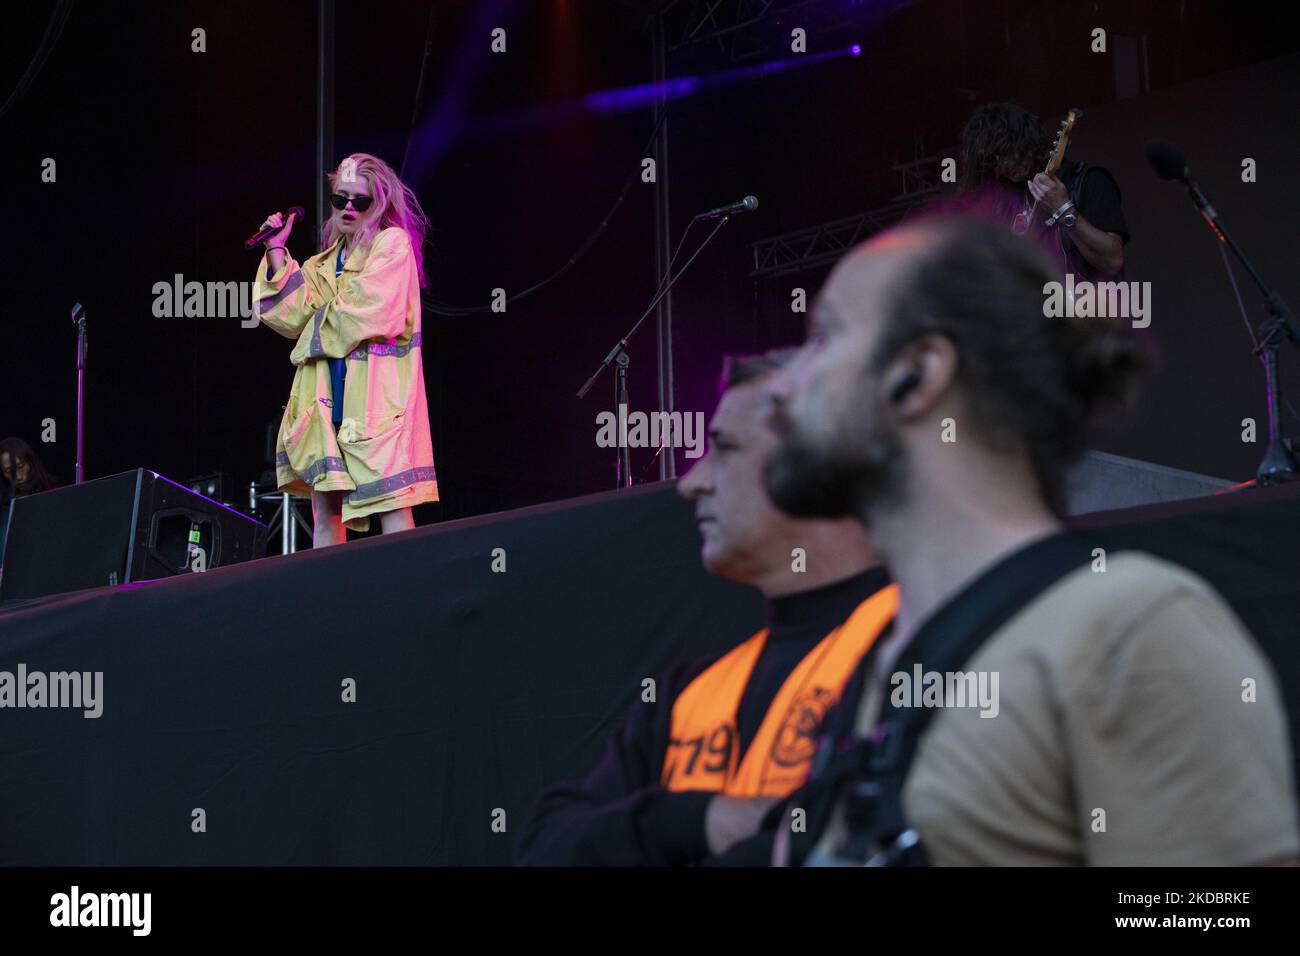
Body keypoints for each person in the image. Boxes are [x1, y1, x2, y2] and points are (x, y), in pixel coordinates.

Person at [759, 213, 1297, 865]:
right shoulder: (870, 666)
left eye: (826, 336)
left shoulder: (1129, 631)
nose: (782, 386)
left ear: (919, 373)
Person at [514, 351, 897, 866]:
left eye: (725, 449)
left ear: (820, 465)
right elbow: (546, 850)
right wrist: (701, 820)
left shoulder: (928, 651)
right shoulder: (688, 693)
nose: (691, 482)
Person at [253, 152, 438, 548]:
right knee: (326, 513)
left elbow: (366, 311)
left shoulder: (392, 245)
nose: (349, 208)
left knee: (391, 503)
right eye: (341, 199)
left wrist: (310, 336)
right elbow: (288, 316)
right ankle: (328, 601)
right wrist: (276, 252)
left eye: (360, 201)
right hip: (325, 400)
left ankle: (407, 595)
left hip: (374, 399)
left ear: (379, 205)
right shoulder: (323, 263)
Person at [959, 101, 1128, 279]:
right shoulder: (1006, 203)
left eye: (1007, 151)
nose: (1003, 164)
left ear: (1026, 142)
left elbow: (1112, 261)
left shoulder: (1088, 181)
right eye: (993, 159)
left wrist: (1063, 209)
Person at [0, 437, 58, 560]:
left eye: (21, 466)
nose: (18, 476)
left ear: (30, 462)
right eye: (9, 471)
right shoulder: (4, 507)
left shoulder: (53, 492)